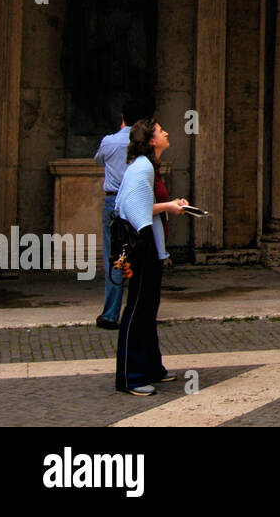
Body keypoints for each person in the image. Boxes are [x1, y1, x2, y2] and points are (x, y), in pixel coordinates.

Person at [113, 118, 187, 396]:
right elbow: (132, 206)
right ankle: (129, 377)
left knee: (147, 307)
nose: (167, 131)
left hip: (149, 245)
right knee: (138, 308)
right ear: (151, 140)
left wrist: (171, 205)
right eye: (161, 130)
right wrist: (169, 206)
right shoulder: (143, 167)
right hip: (142, 245)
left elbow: (139, 203)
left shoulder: (147, 166)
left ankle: (151, 367)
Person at [93, 101, 143, 329]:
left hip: (114, 201)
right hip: (138, 201)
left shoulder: (110, 141)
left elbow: (98, 160)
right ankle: (137, 311)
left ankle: (111, 314)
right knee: (139, 256)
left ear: (123, 117)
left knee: (115, 257)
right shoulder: (141, 143)